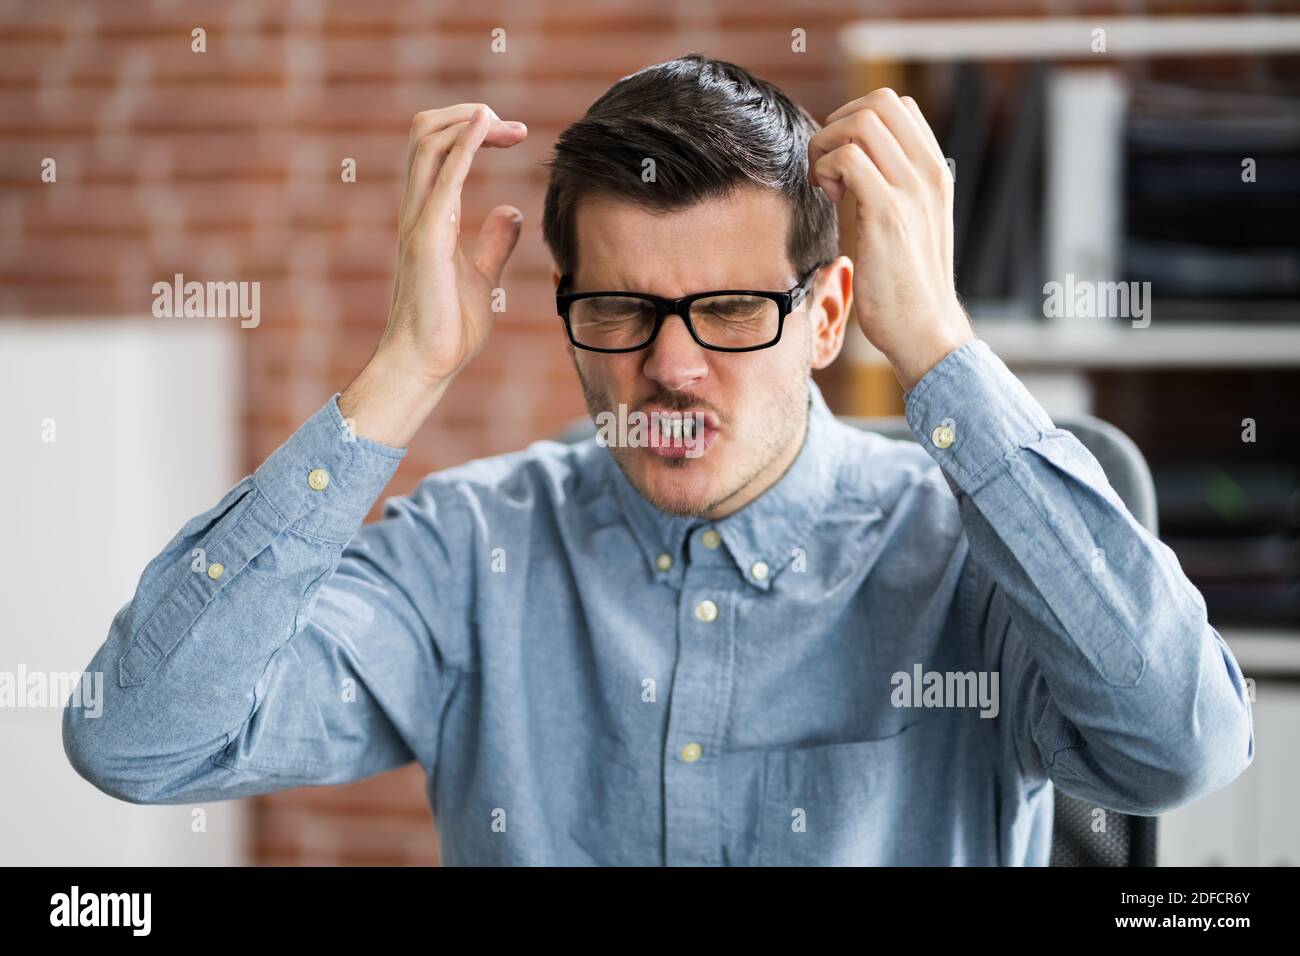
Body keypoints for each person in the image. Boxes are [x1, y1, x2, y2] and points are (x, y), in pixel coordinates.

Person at [63, 54, 1253, 866]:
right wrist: (400, 376)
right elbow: (138, 738)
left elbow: (1180, 745)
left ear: (830, 316)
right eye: (623, 308)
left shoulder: (963, 554)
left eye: (732, 308)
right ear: (566, 308)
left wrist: (940, 348)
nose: (672, 367)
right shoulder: (472, 549)